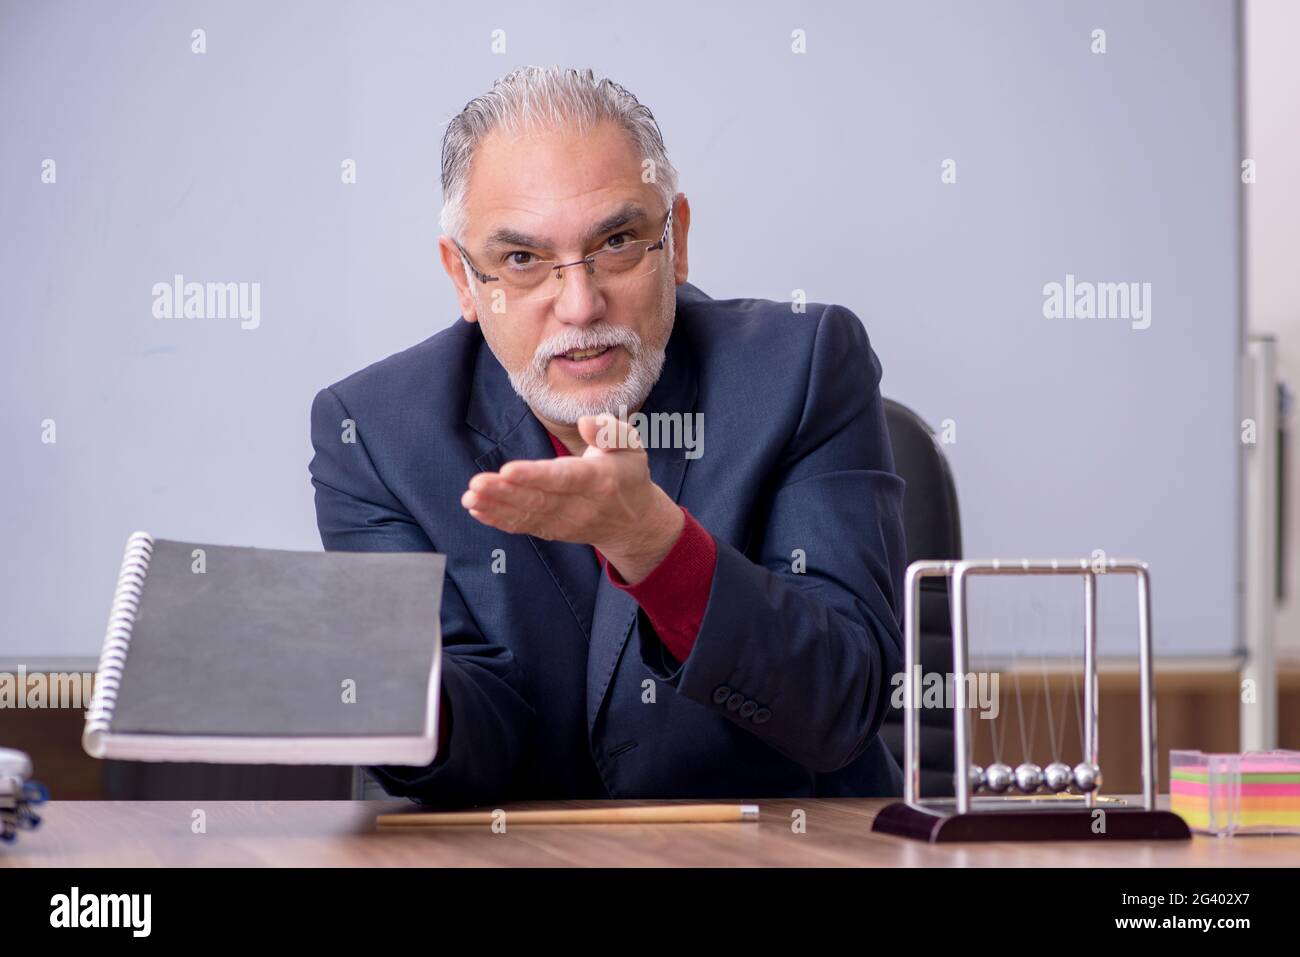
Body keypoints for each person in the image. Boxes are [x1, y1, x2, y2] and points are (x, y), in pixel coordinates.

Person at [309, 66, 906, 806]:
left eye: (618, 241)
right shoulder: (370, 432)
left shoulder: (804, 367)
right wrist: (392, 691)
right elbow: (479, 746)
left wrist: (656, 545)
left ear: (677, 240)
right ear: (464, 280)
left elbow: (842, 698)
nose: (581, 304)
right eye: (522, 260)